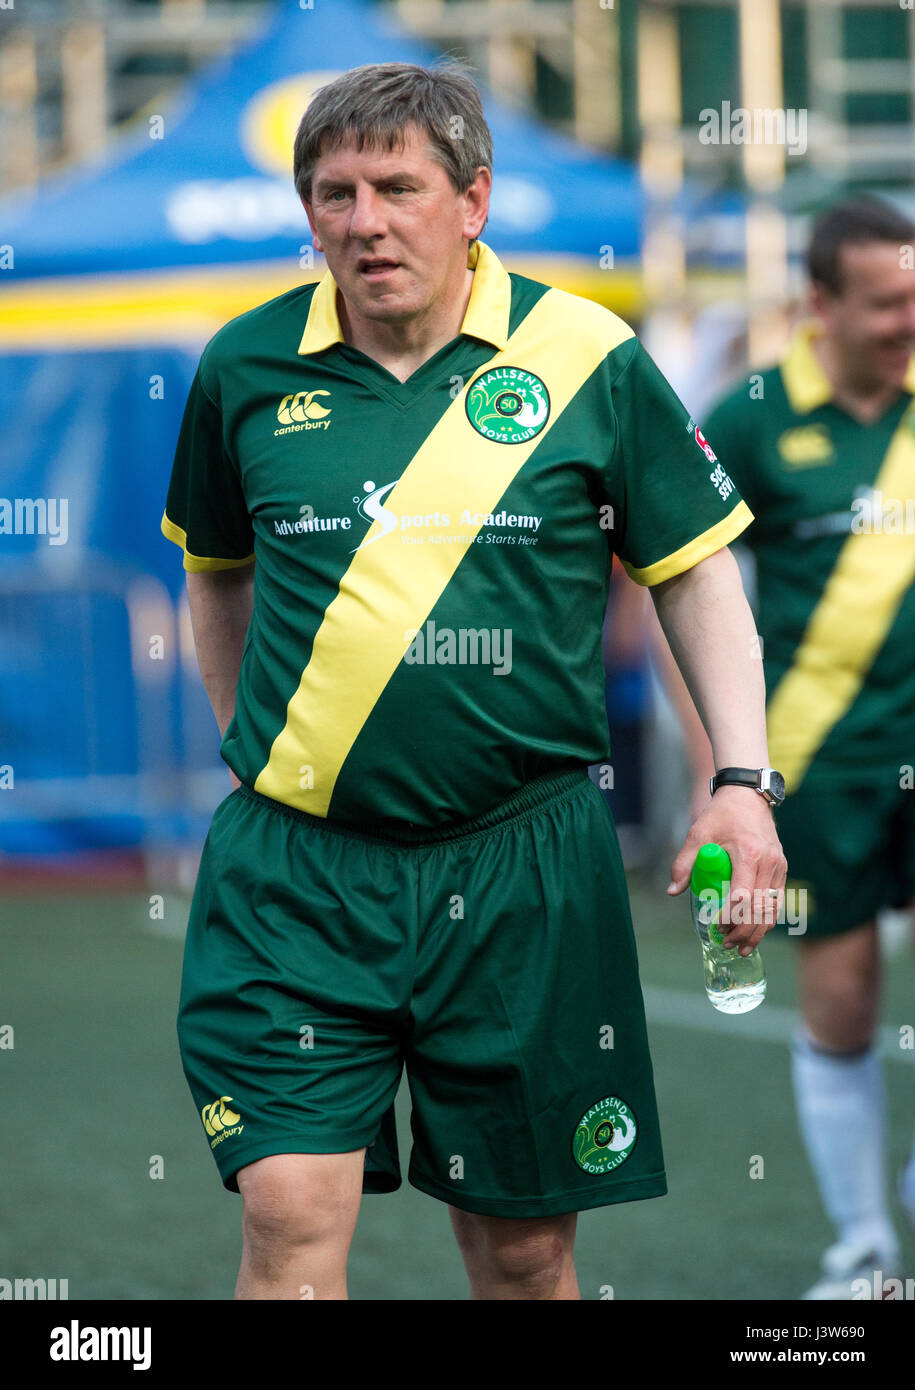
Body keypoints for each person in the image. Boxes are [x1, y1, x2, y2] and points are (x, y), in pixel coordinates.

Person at [160, 59, 785, 1301]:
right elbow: (216, 575)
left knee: (524, 1250)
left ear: (475, 199)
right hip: (298, 875)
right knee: (287, 1208)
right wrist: (265, 754)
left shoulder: (586, 354)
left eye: (396, 187)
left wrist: (740, 782)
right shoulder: (245, 367)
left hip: (524, 869)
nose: (363, 221)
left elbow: (693, 573)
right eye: (333, 193)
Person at [654, 196, 915, 1299]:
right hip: (821, 769)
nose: (912, 319)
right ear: (820, 304)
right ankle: (864, 1249)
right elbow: (671, 579)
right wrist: (723, 763)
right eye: (890, 302)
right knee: (845, 1007)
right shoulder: (753, 417)